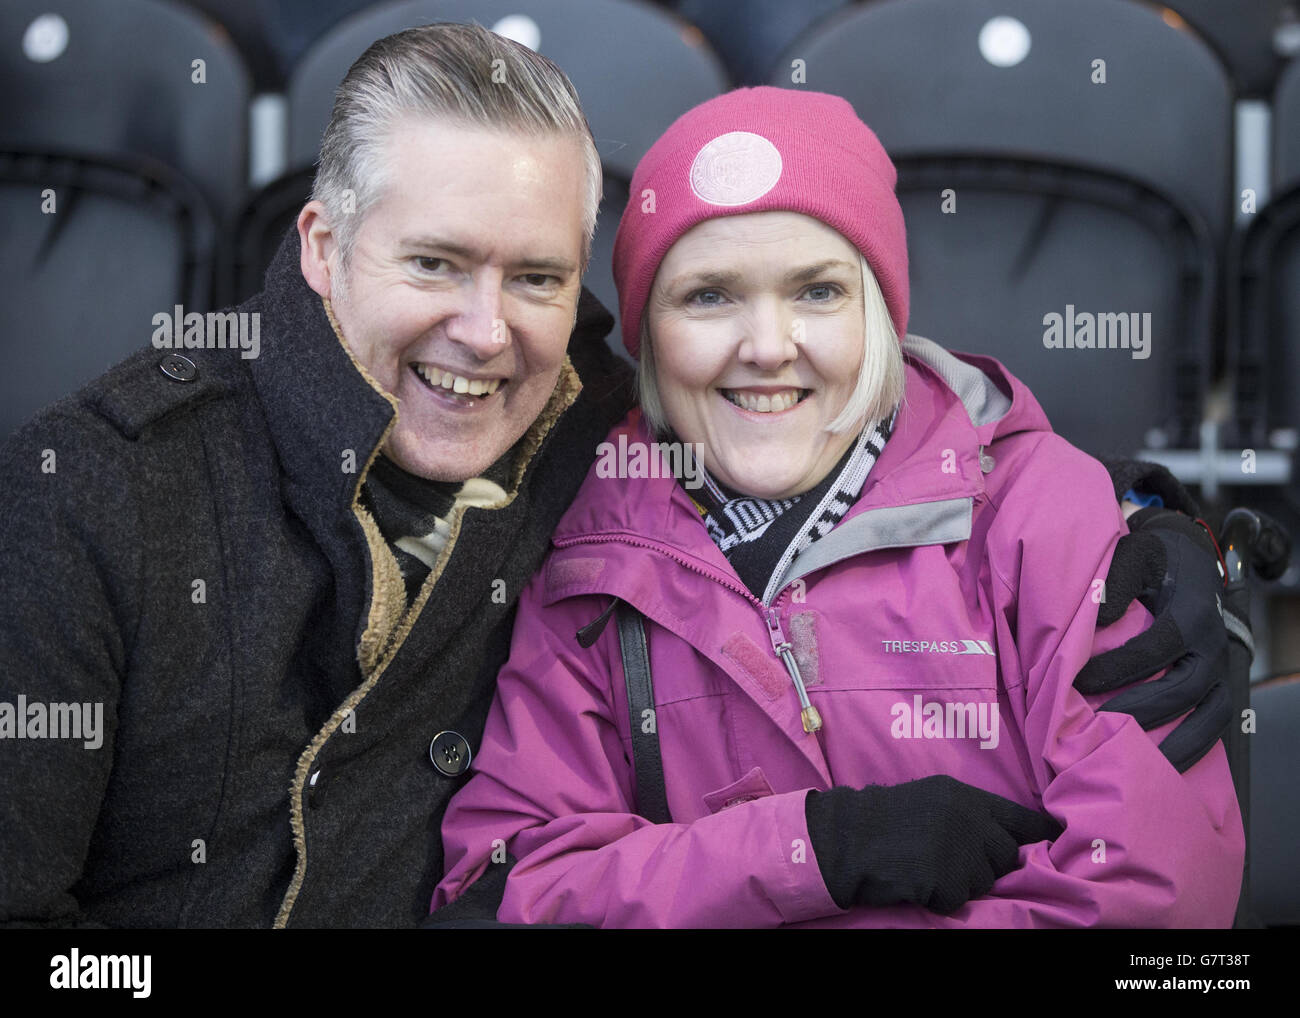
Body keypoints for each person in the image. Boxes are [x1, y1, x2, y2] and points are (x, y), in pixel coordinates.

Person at [0, 24, 1234, 929]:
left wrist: (1151, 523)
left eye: (537, 277)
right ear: (323, 248)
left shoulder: (582, 422)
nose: (485, 331)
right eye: (434, 262)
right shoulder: (96, 491)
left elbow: (907, 436)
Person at [432, 87, 1245, 927]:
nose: (768, 346)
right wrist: (813, 847)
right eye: (708, 295)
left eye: (817, 291)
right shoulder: (586, 547)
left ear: (880, 315)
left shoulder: (1041, 513)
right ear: (647, 334)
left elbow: (1156, 899)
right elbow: (510, 888)